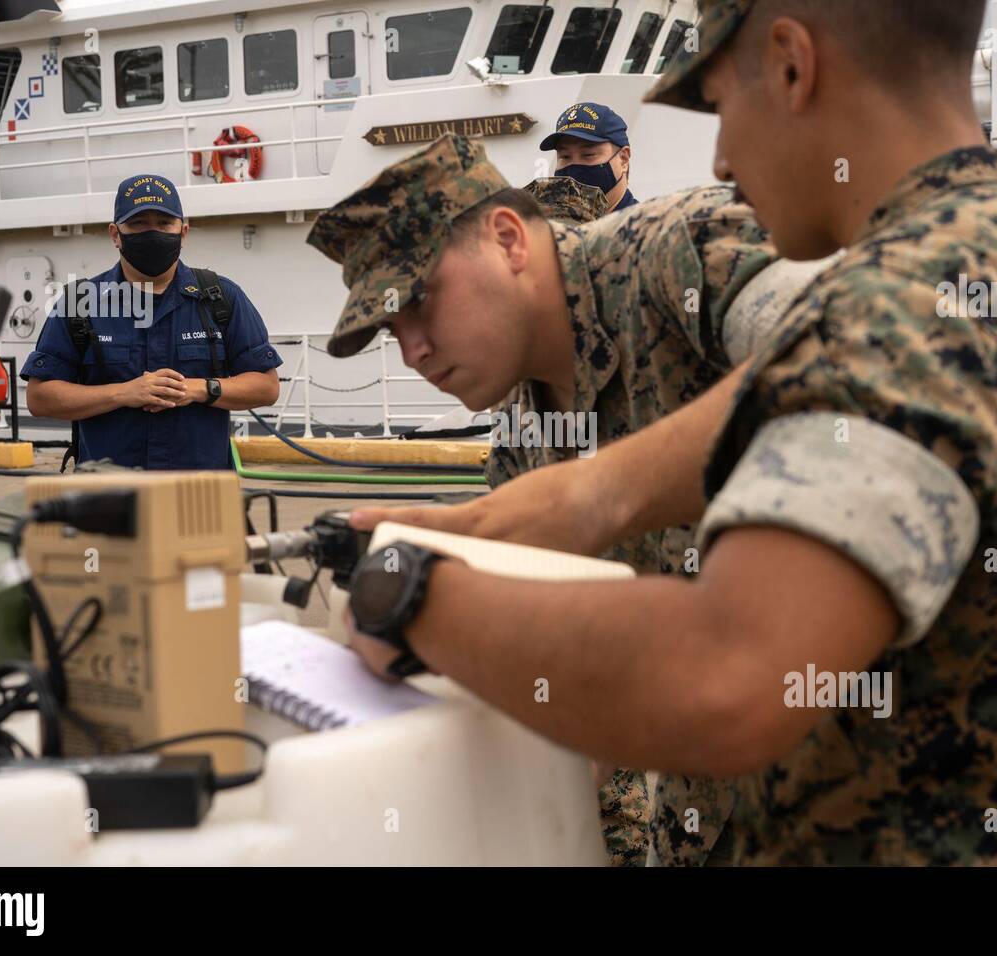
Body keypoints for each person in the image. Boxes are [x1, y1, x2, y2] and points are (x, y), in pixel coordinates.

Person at [344, 0, 997, 866]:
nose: (719, 160)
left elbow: (728, 681)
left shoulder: (897, 307)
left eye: (717, 106)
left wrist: (409, 596)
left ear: (791, 65)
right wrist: (553, 508)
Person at [308, 131, 829, 864]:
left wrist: (598, 495)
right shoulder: (523, 425)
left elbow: (845, 362)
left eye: (419, 302)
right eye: (392, 330)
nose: (413, 350)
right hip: (707, 815)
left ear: (508, 238)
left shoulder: (677, 250)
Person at [22, 173, 281, 470]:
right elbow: (40, 397)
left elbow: (266, 386)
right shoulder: (80, 302)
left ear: (183, 232)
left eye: (163, 223)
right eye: (138, 223)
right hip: (108, 499)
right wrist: (123, 393)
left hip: (200, 497)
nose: (153, 233)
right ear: (115, 234)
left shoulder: (221, 298)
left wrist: (197, 389)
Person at [541, 102, 638, 212]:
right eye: (565, 157)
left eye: (588, 155)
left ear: (623, 159)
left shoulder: (648, 227)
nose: (574, 169)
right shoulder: (548, 226)